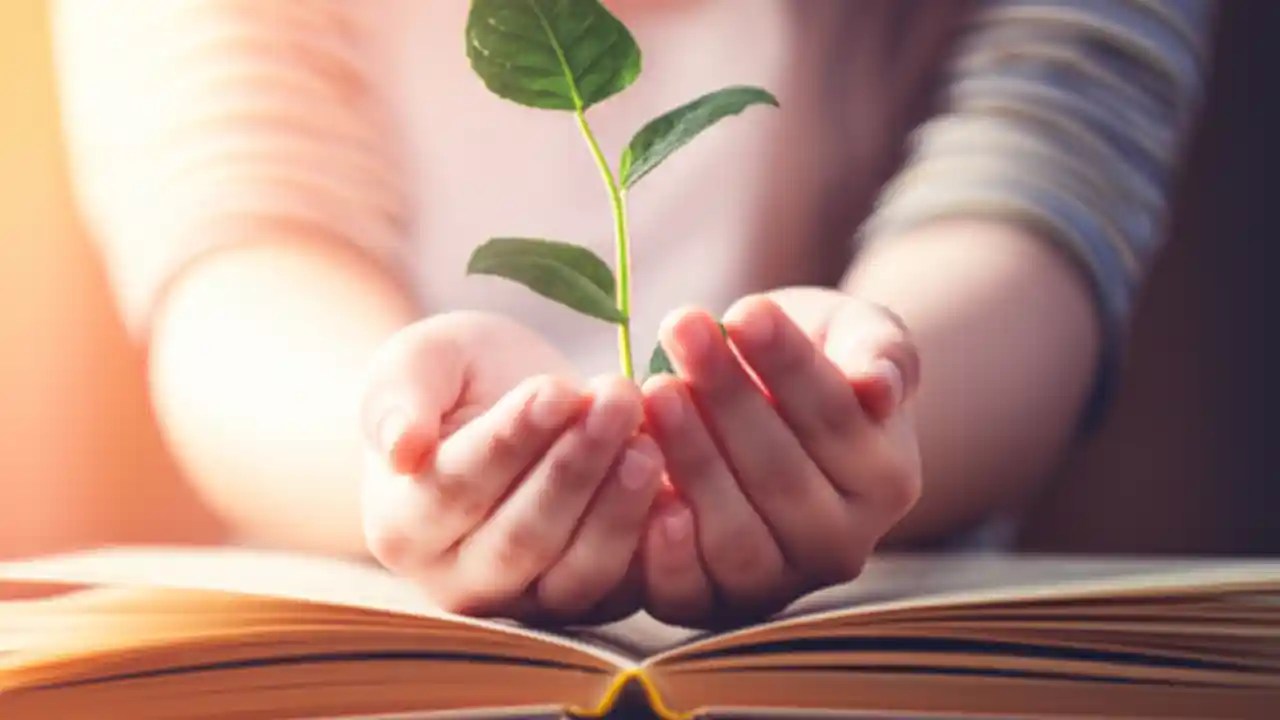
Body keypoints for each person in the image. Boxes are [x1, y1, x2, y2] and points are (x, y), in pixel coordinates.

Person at [51, 0, 1213, 626]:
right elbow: (234, 260)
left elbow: (1040, 200)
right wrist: (401, 456)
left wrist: (860, 406)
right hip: (371, 641)